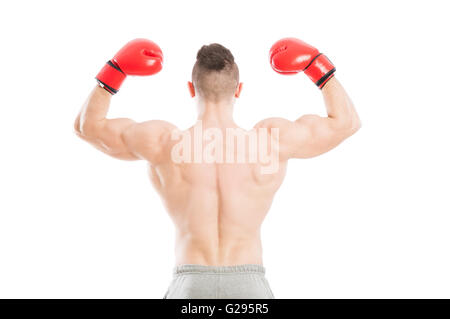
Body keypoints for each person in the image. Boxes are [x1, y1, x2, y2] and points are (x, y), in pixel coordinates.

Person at [74, 37, 361, 299]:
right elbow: (346, 123)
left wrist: (115, 70)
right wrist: (316, 65)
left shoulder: (163, 142)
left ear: (191, 89)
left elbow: (88, 127)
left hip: (190, 287)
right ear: (239, 90)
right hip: (250, 289)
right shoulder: (270, 141)